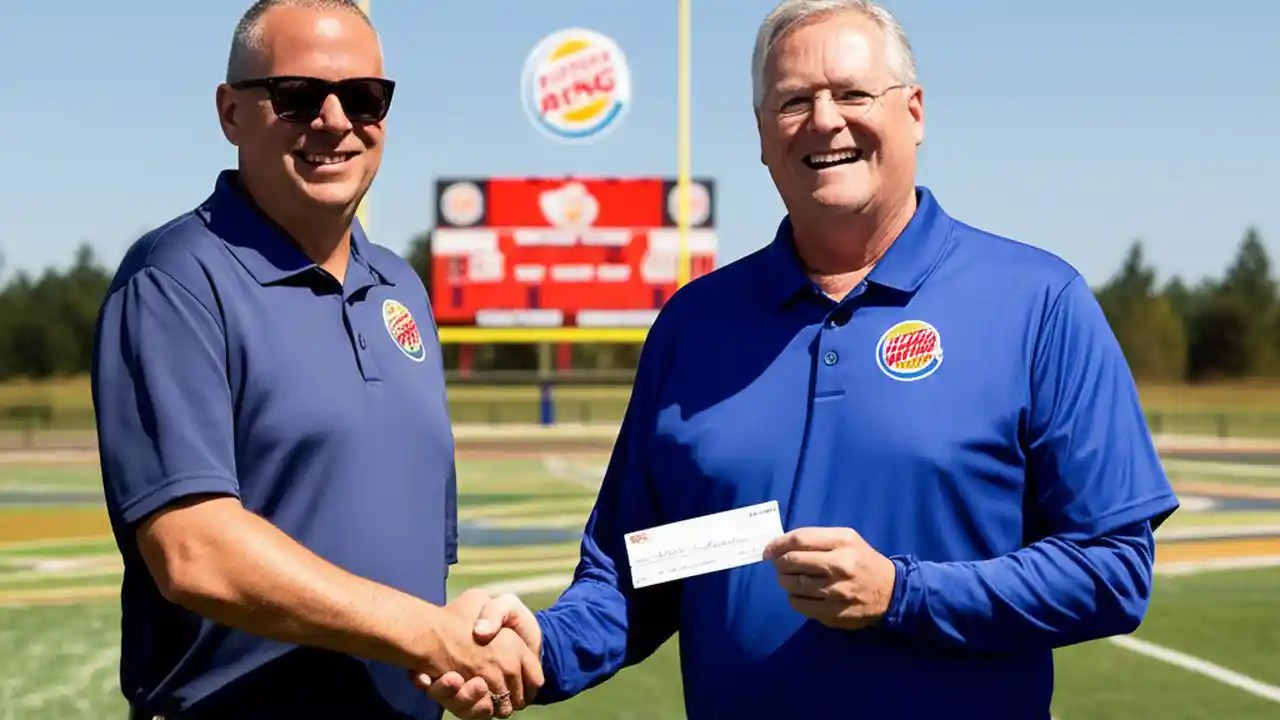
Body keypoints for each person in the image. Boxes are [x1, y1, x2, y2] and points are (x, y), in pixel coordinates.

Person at [420, 0, 1181, 718]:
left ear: (914, 113)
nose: (824, 120)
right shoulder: (695, 324)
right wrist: (540, 650)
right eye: (792, 101)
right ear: (761, 134)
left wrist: (901, 594)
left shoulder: (1037, 301)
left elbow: (1113, 570)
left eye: (852, 92)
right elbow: (638, 573)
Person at [91, 1, 540, 718]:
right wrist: (429, 634)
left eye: (364, 96)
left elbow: (406, 557)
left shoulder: (400, 286)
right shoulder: (175, 278)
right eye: (298, 96)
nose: (334, 120)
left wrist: (464, 638)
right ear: (231, 112)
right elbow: (194, 550)